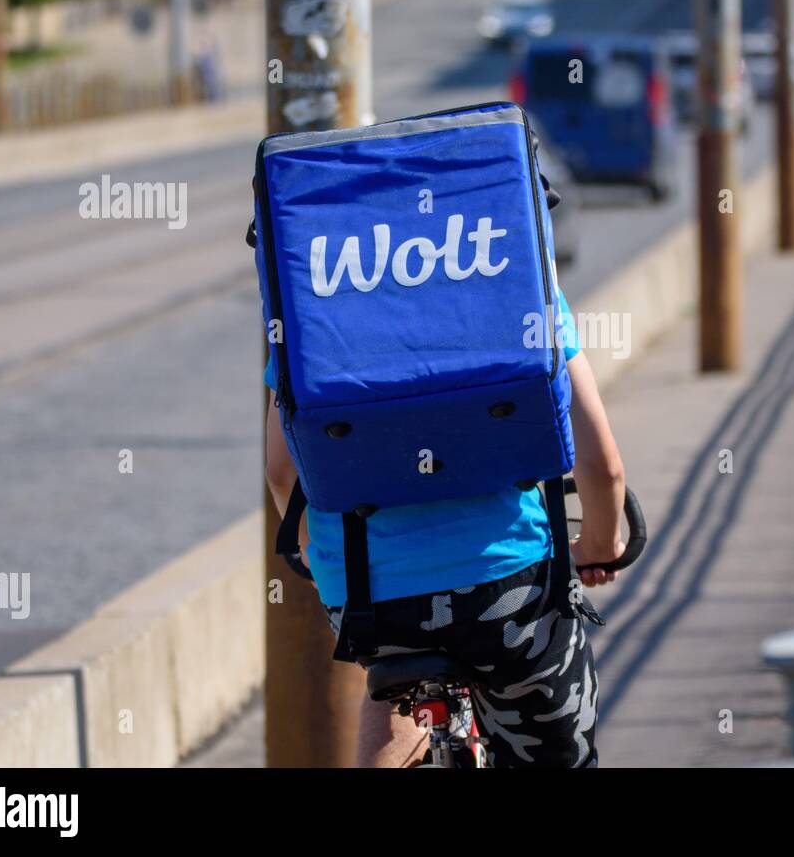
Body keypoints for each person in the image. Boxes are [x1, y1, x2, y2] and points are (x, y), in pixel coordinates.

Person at [264, 289, 626, 768]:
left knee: (394, 680)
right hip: (507, 594)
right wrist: (599, 544)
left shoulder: (315, 286)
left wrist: (322, 564)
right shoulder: (515, 270)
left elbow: (281, 471)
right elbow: (602, 468)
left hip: (369, 605)